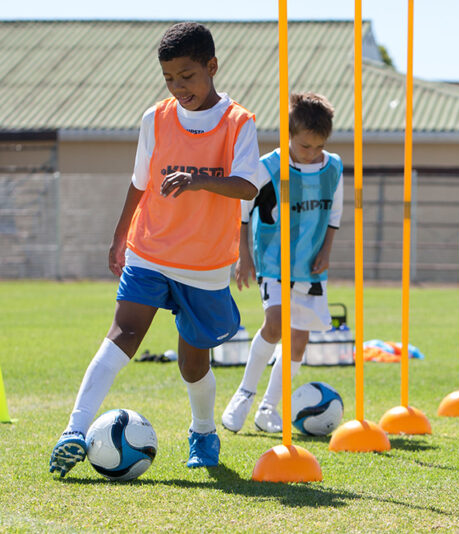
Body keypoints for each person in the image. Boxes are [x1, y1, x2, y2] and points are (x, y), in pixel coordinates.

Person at [49, 22, 261, 477]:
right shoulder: (155, 118)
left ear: (212, 66)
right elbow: (140, 182)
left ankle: (203, 431)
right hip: (150, 250)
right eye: (169, 78)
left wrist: (199, 180)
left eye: (186, 75)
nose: (177, 87)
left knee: (192, 361)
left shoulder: (239, 122)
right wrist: (120, 235)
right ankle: (73, 429)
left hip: (204, 264)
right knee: (124, 333)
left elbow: (247, 187)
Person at [221, 92, 343, 433]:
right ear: (288, 135)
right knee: (274, 325)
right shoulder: (268, 167)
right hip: (272, 262)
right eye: (306, 146)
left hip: (310, 266)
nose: (313, 153)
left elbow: (334, 214)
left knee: (299, 340)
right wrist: (243, 255)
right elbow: (241, 211)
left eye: (319, 146)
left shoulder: (333, 167)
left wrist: (327, 252)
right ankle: (243, 395)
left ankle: (268, 408)